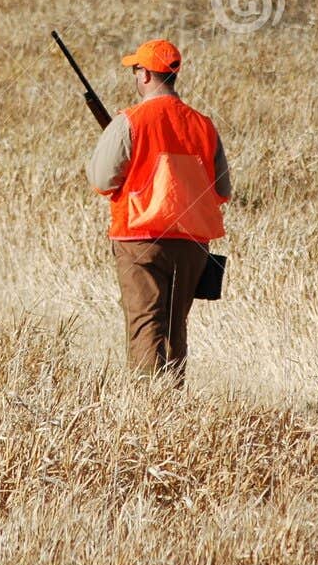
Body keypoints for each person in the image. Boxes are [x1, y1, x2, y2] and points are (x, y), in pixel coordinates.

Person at [86, 39, 231, 386]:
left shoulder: (130, 121)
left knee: (145, 324)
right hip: (193, 243)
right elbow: (222, 190)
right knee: (173, 327)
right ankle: (173, 400)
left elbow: (102, 179)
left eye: (136, 69)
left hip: (141, 239)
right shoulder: (203, 125)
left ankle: (150, 407)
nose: (135, 75)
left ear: (147, 75)